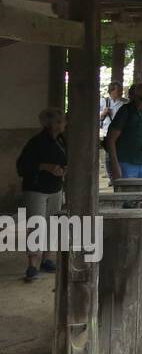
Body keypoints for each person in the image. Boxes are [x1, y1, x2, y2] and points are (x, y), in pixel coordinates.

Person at [16, 109, 67, 282]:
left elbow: (66, 159)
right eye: (59, 121)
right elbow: (22, 167)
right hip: (36, 188)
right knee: (36, 225)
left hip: (55, 187)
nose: (63, 124)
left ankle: (47, 259)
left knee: (53, 223)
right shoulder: (36, 142)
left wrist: (63, 170)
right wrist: (45, 167)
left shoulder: (61, 140)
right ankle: (32, 264)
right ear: (50, 124)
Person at [106, 82, 142, 180]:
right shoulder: (125, 111)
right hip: (126, 164)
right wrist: (115, 166)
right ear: (135, 97)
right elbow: (110, 139)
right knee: (126, 195)